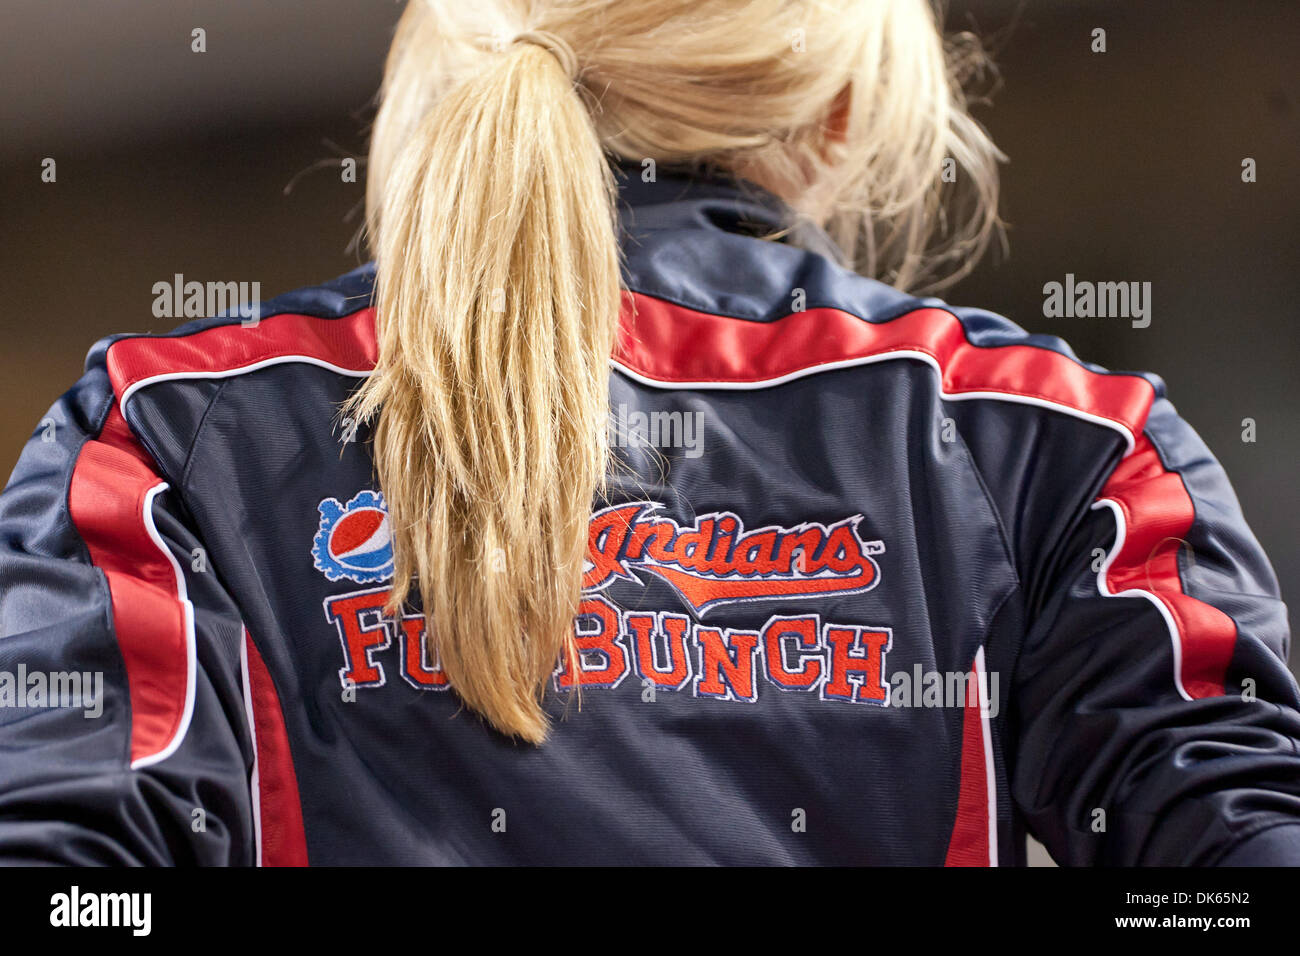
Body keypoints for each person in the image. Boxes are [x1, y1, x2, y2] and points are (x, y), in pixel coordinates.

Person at [0, 0, 1296, 866]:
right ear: (840, 117)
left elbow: (62, 872)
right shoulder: (1063, 442)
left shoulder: (162, 429)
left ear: (434, 94)